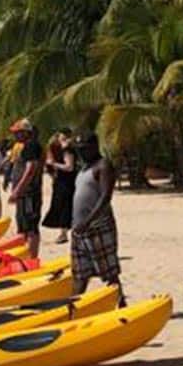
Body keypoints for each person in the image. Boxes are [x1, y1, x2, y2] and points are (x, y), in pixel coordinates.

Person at [69, 132, 121, 303]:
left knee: (109, 274)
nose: (81, 152)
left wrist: (88, 221)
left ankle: (121, 305)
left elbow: (105, 197)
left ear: (94, 146)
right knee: (80, 275)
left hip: (98, 227)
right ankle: (73, 308)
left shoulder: (103, 165)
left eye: (84, 148)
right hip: (79, 230)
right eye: (78, 149)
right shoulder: (84, 168)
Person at [6, 118, 45, 257]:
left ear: (25, 133)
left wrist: (17, 191)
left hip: (29, 194)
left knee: (31, 227)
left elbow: (30, 170)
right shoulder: (25, 146)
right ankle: (24, 255)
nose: (14, 135)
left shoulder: (31, 146)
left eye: (17, 133)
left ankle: (32, 258)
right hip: (25, 194)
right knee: (23, 226)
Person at [42, 128, 78, 236]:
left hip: (66, 180)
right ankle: (64, 231)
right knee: (63, 205)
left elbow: (69, 167)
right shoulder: (63, 148)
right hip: (62, 180)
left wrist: (53, 164)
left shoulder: (67, 149)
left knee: (65, 205)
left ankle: (64, 232)